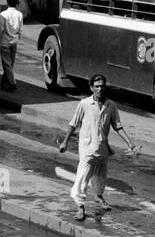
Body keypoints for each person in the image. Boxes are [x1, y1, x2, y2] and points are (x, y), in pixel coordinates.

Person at [58, 74, 138, 221]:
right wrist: (65, 142)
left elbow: (117, 126)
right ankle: (80, 208)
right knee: (82, 179)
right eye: (97, 86)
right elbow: (73, 124)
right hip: (87, 147)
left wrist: (130, 144)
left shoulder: (111, 105)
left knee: (101, 175)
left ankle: (98, 197)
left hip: (102, 147)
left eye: (102, 86)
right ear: (91, 88)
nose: (100, 89)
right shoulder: (84, 104)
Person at [0, 0, 23, 90]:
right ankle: (3, 83)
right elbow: (20, 29)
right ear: (16, 4)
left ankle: (12, 83)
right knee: (10, 64)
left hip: (5, 42)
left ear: (7, 3)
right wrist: (17, 37)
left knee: (6, 64)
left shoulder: (3, 14)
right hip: (14, 41)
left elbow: (1, 29)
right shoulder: (19, 14)